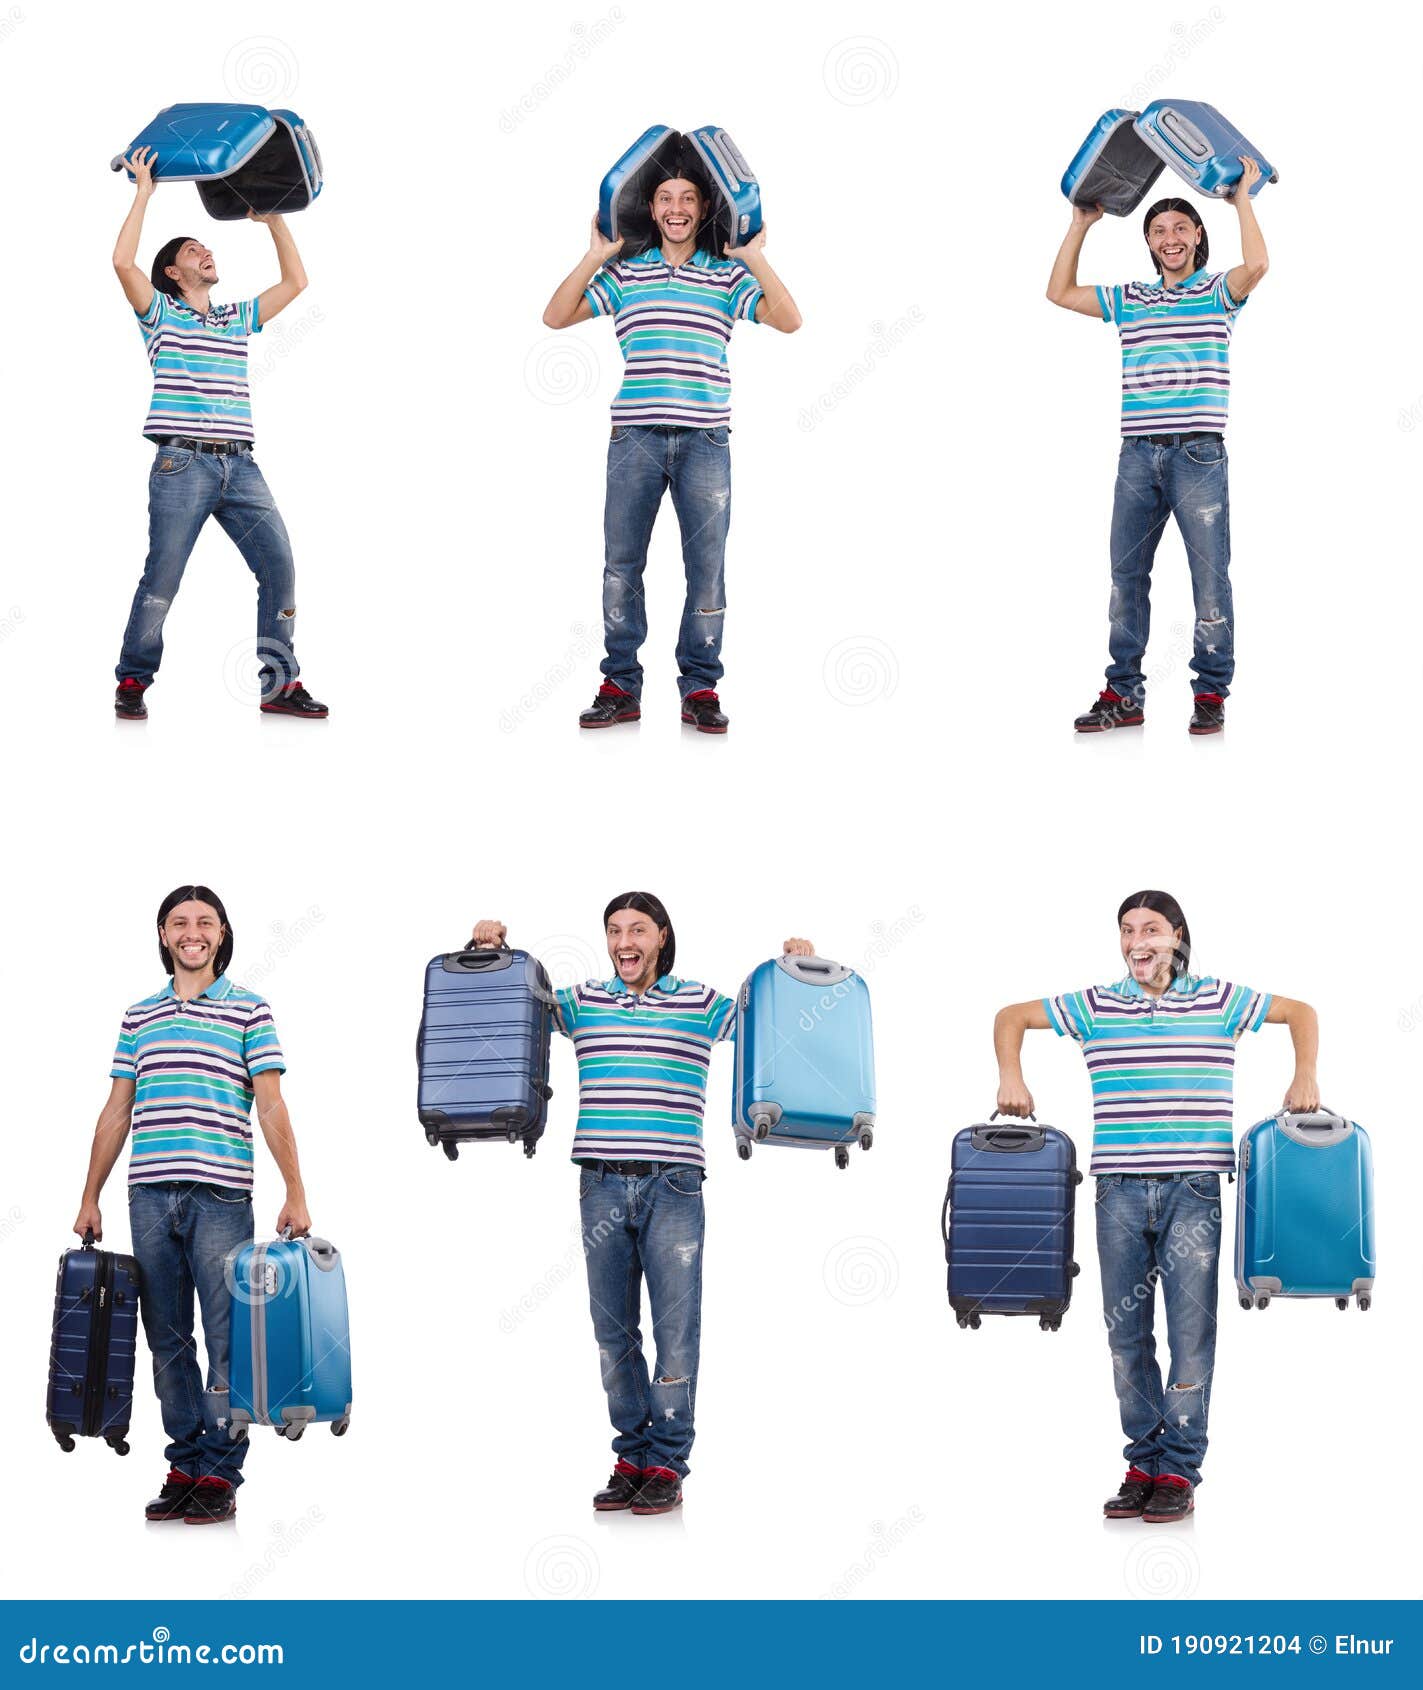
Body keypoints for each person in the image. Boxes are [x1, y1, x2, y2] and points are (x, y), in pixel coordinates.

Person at [471, 895, 813, 1513]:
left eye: (637, 930)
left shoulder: (701, 1003)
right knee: (613, 1331)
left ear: (662, 938)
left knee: (675, 1330)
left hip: (673, 1185)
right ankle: (631, 1456)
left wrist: (792, 969)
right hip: (600, 1183)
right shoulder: (583, 1002)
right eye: (613, 931)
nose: (624, 942)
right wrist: (489, 947)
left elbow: (771, 1025)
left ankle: (667, 1464)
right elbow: (509, 1005)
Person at [991, 889, 1318, 1522]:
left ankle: (1179, 1470)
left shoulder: (1220, 999)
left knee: (1190, 1334)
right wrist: (1011, 1074)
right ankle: (1143, 1462)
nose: (1136, 941)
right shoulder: (1094, 1005)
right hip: (1116, 1188)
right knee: (1126, 1335)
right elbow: (1010, 1016)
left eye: (1150, 929)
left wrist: (1304, 1073)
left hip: (1193, 1188)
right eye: (1126, 929)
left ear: (1177, 938)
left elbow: (1301, 1012)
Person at [73, 885, 312, 1524]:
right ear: (163, 934)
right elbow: (117, 1111)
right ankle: (184, 1464)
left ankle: (220, 1472)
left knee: (228, 1337)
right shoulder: (139, 1016)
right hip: (149, 1193)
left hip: (221, 1194)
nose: (192, 932)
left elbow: (271, 1105)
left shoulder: (250, 1010)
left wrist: (295, 1189)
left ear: (222, 933)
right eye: (179, 922)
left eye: (205, 922)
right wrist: (90, 1195)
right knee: (167, 1339)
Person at [542, 152, 802, 734]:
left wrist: (754, 256)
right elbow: (555, 317)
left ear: (703, 208)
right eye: (666, 198)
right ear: (652, 209)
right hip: (634, 437)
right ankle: (620, 685)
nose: (676, 208)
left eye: (687, 198)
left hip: (706, 439)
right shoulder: (625, 273)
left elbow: (790, 320)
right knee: (621, 567)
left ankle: (701, 688)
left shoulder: (727, 276)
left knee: (706, 569)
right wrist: (595, 255)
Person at [1047, 158, 1269, 735]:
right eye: (1158, 230)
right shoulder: (1133, 298)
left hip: (1198, 455)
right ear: (1149, 242)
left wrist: (1241, 200)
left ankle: (1211, 694)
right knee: (1127, 577)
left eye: (1179, 228)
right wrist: (1080, 224)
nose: (1170, 238)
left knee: (1210, 579)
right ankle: (1124, 694)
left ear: (1197, 236)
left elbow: (1257, 264)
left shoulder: (1218, 292)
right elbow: (1059, 292)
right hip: (1137, 455)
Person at [111, 147, 328, 721]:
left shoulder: (234, 318)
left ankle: (278, 685)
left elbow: (297, 281)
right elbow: (122, 263)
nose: (206, 252)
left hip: (242, 467)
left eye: (205, 247)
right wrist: (144, 193)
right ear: (172, 273)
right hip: (182, 467)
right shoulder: (160, 314)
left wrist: (273, 220)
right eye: (192, 250)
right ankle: (133, 679)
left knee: (279, 567)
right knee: (163, 578)